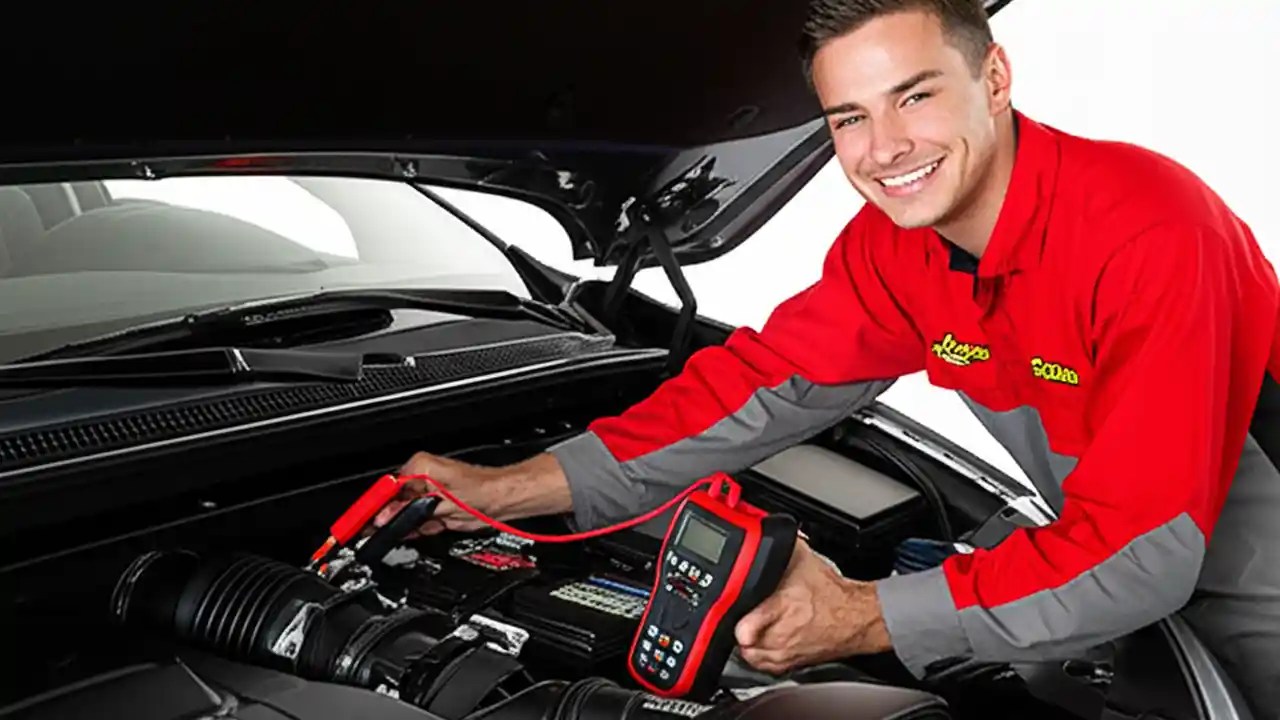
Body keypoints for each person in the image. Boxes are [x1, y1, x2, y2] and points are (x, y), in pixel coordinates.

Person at [378, 0, 1280, 715]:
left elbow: (1136, 555)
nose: (884, 149)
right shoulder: (897, 248)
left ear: (995, 78)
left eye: (914, 96)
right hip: (1121, 556)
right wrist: (520, 486)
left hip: (1257, 581)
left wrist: (865, 614)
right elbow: (763, 386)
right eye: (849, 116)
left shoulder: (1149, 232)